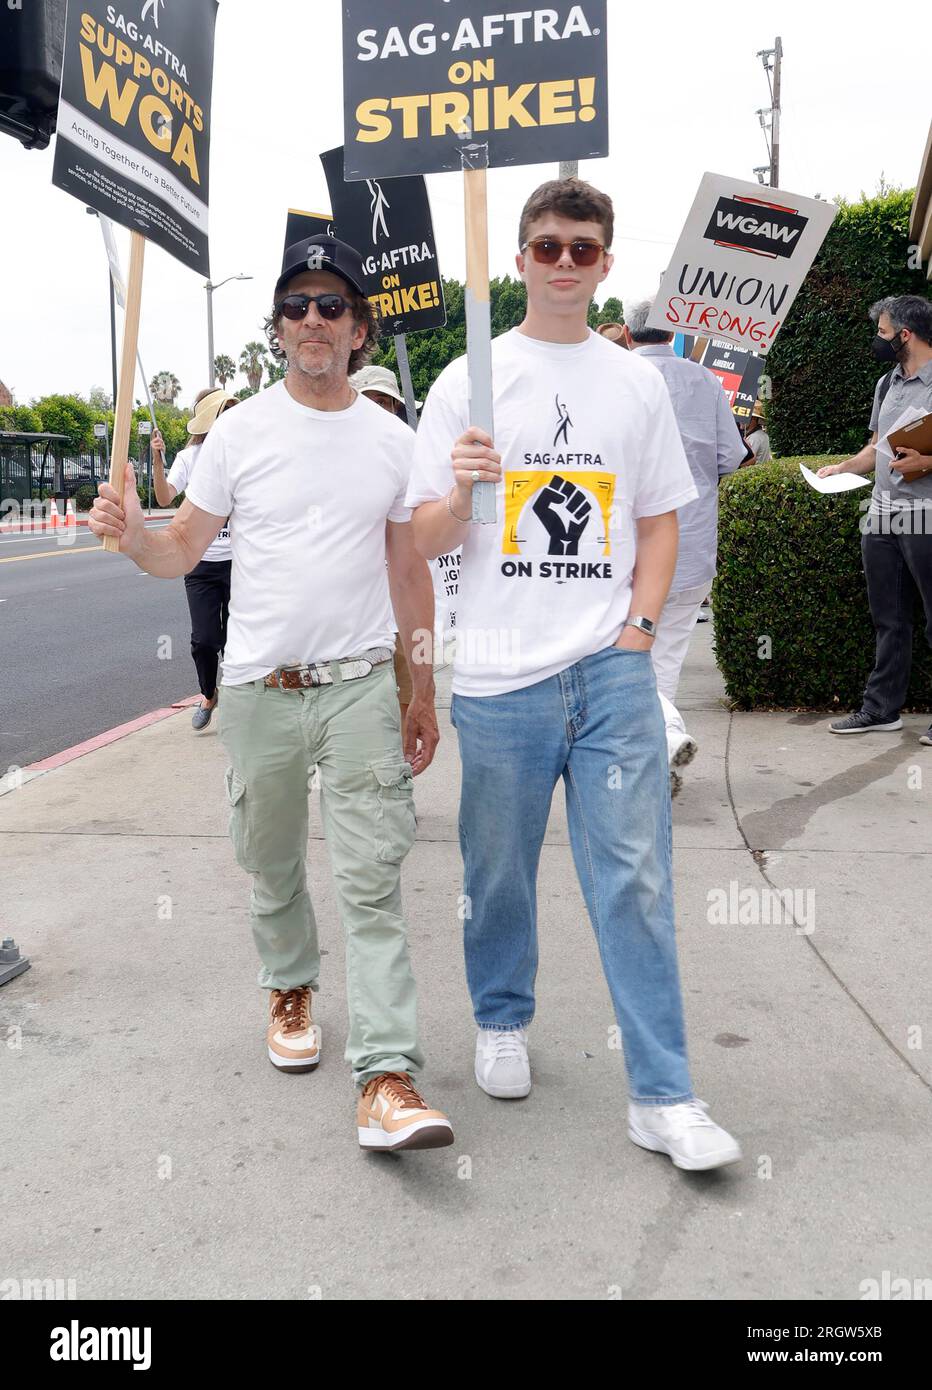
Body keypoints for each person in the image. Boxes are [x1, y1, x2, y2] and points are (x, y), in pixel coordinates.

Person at [89, 234, 453, 1153]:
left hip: (362, 686)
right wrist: (136, 536)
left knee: (371, 882)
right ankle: (289, 987)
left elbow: (411, 575)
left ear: (360, 328)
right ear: (279, 329)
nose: (313, 320)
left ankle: (388, 1077)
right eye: (297, 307)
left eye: (332, 305)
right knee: (274, 862)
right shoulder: (241, 432)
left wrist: (421, 686)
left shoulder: (392, 441)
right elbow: (182, 550)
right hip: (258, 692)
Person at [407, 177, 741, 1171]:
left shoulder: (635, 380)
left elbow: (657, 518)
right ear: (517, 260)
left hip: (608, 675)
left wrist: (637, 633)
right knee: (495, 873)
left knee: (634, 877)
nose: (562, 262)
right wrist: (462, 486)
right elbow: (418, 539)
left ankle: (662, 1092)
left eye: (580, 248)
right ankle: (502, 1017)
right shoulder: (465, 381)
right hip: (500, 680)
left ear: (604, 263)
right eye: (544, 245)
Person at [621, 299, 747, 794]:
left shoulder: (615, 378)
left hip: (627, 550)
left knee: (626, 661)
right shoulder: (705, 382)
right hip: (692, 546)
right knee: (664, 661)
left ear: (629, 336)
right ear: (672, 335)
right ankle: (662, 743)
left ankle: (658, 745)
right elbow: (731, 458)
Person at [818, 295, 932, 744]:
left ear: (905, 334)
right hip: (882, 516)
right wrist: (841, 468)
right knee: (889, 618)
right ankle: (881, 709)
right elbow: (876, 448)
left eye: (884, 332)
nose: (878, 340)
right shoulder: (887, 384)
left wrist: (925, 460)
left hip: (927, 516)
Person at [151, 388, 238, 731]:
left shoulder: (243, 453)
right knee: (204, 641)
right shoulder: (190, 458)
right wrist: (157, 460)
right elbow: (163, 497)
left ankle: (237, 704)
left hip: (240, 564)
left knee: (238, 642)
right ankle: (208, 694)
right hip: (200, 565)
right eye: (223, 412)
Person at [350, 364, 423, 726]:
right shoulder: (331, 460)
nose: (380, 409)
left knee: (406, 707)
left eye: (386, 402)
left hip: (397, 616)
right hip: (351, 624)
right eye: (371, 400)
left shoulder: (408, 456)